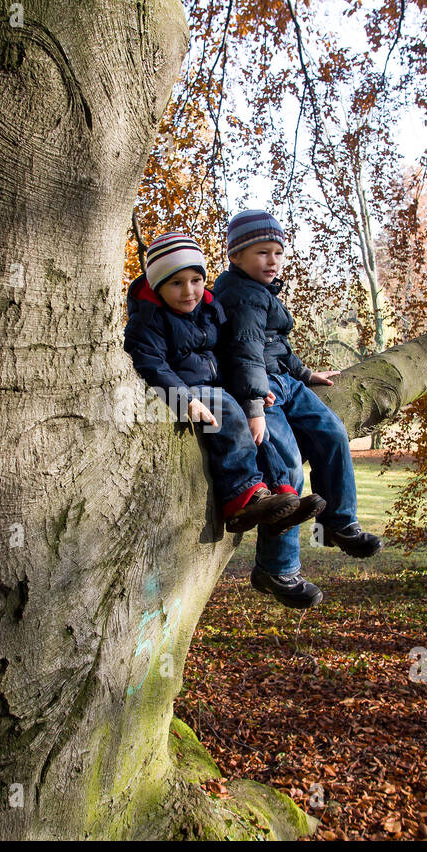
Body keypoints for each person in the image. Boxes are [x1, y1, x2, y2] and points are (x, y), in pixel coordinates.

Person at [213, 209, 382, 609]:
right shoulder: (238, 295)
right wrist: (254, 407)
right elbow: (246, 354)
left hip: (285, 382)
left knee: (333, 433)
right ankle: (276, 567)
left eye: (277, 252)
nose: (272, 261)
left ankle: (338, 522)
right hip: (259, 390)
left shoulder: (261, 292)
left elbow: (276, 347)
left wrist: (305, 374)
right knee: (286, 466)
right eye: (261, 253)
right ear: (236, 257)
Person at [123, 231, 325, 535]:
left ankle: (282, 494)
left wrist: (252, 394)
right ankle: (243, 496)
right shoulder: (149, 320)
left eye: (196, 280)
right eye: (176, 283)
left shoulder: (210, 310)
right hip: (187, 389)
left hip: (218, 386)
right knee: (229, 409)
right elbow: (152, 365)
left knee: (258, 426)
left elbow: (231, 354)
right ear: (157, 285)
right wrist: (184, 400)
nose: (189, 291)